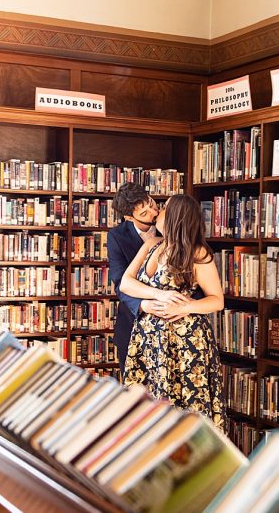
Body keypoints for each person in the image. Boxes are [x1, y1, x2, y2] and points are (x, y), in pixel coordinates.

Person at [118, 194, 225, 430]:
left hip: (182, 343)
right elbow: (125, 283)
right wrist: (159, 295)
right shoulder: (151, 245)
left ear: (176, 216)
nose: (158, 212)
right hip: (148, 342)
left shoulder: (197, 254)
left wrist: (186, 306)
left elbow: (217, 301)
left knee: (183, 405)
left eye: (164, 208)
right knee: (146, 405)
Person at [108, 182, 169, 373]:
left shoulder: (170, 223)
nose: (153, 212)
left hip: (169, 324)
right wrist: (143, 305)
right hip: (132, 323)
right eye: (144, 213)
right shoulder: (116, 236)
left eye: (151, 203)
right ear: (128, 217)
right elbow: (120, 283)